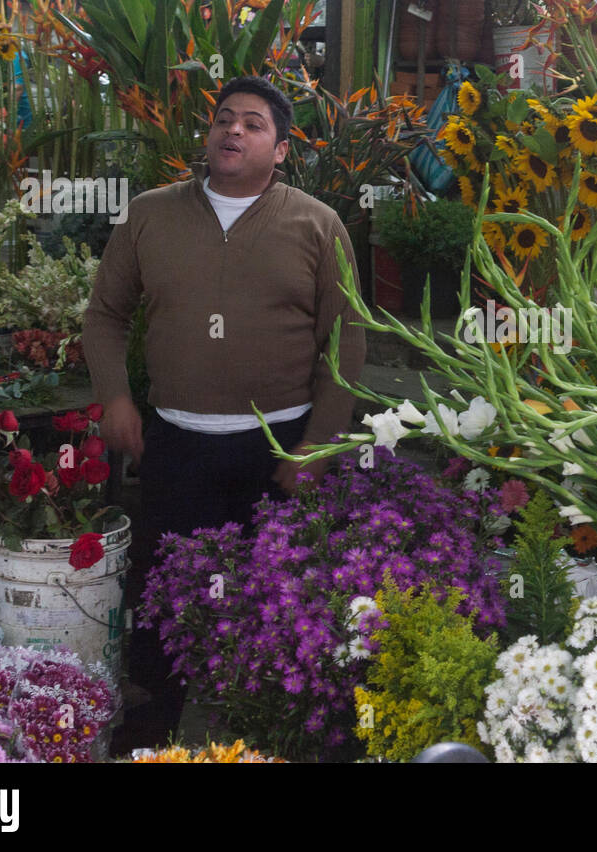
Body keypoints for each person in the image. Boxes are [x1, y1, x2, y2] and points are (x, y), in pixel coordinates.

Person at [82, 74, 367, 741]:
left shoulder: (317, 226)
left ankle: (265, 736)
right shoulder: (151, 215)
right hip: (175, 444)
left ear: (282, 149)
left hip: (278, 449)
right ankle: (149, 735)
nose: (233, 130)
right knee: (162, 599)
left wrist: (319, 442)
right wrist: (116, 400)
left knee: (277, 603)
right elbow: (104, 316)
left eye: (254, 123)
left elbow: (347, 338)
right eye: (224, 119)